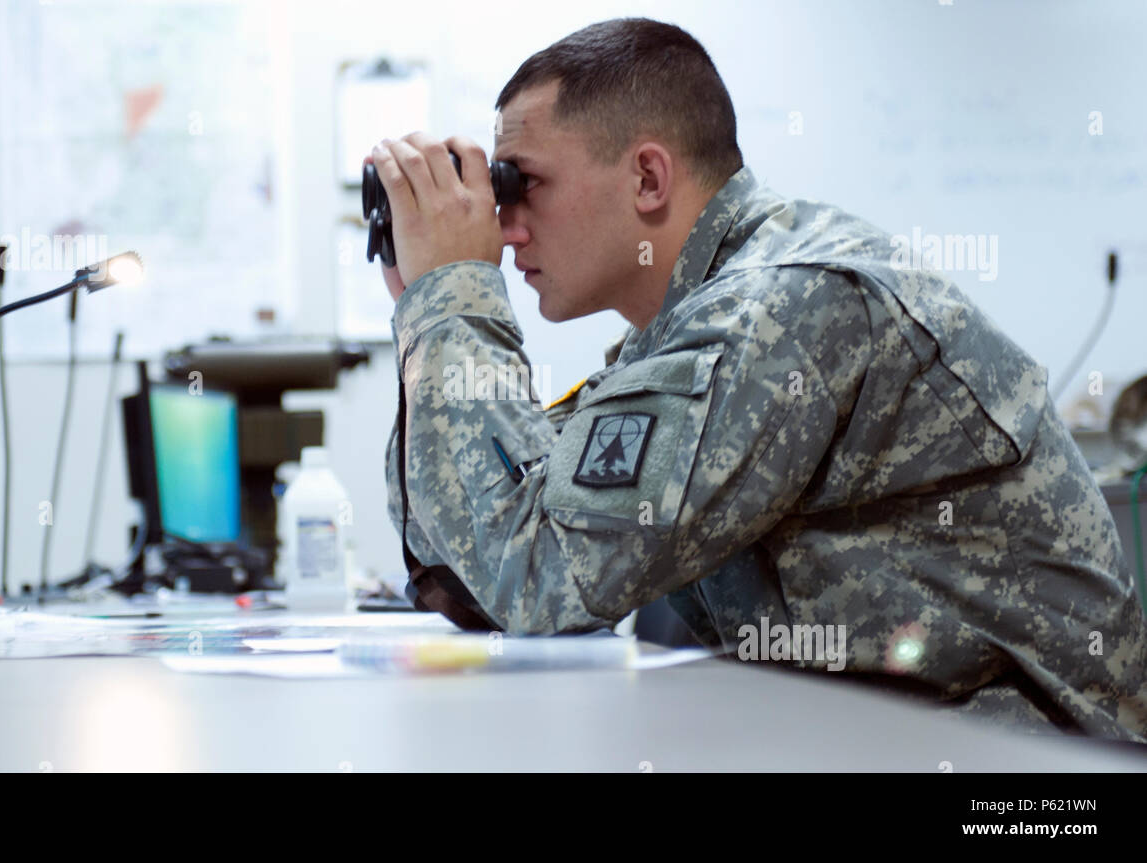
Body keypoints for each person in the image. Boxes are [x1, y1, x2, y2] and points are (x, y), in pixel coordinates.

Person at [369, 17, 1147, 742]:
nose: (506, 228)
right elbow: (471, 569)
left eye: (523, 184)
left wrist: (455, 303)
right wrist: (427, 319)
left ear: (647, 177)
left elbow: (539, 580)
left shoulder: (785, 309)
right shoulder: (682, 330)